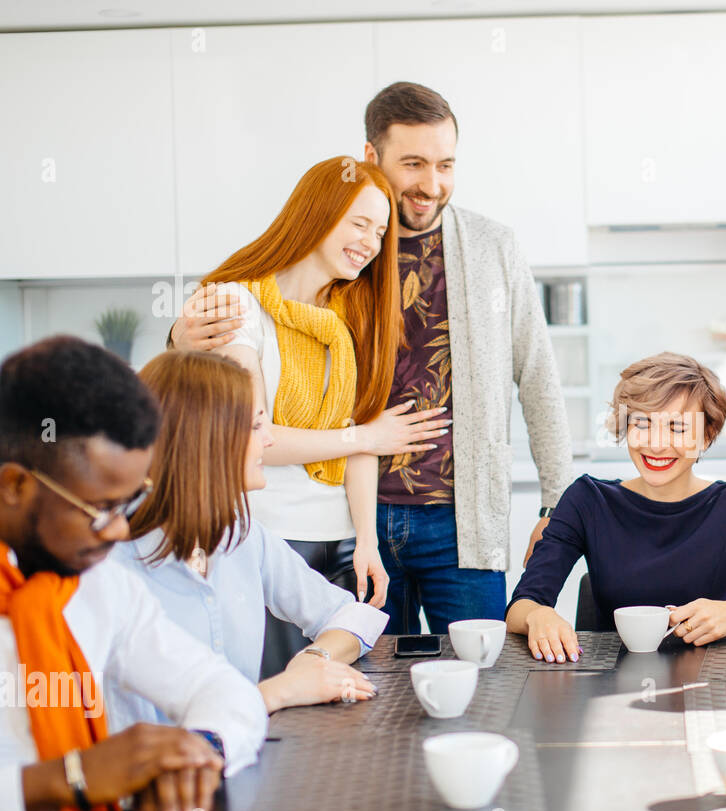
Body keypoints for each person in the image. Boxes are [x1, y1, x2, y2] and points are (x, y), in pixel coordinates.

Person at [170, 82, 573, 636]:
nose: (431, 185)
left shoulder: (492, 247)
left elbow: (539, 379)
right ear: (371, 157)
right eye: (413, 164)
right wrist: (182, 335)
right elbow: (255, 306)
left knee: (484, 682)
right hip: (352, 517)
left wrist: (557, 506)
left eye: (446, 165)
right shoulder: (340, 249)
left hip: (463, 522)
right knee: (369, 690)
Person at [0, 337, 267, 811]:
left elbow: (219, 687)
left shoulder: (98, 587)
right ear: (14, 487)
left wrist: (198, 753)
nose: (120, 528)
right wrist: (70, 778)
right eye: (100, 508)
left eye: (128, 502)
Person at [178, 156, 443, 678]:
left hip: (343, 545)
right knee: (275, 703)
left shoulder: (352, 319)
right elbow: (253, 439)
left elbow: (361, 439)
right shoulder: (239, 305)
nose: (370, 242)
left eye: (380, 231)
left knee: (344, 698)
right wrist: (367, 435)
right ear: (318, 214)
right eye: (359, 224)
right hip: (269, 539)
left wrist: (367, 539)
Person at [107, 351, 389, 727]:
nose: (270, 439)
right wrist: (281, 690)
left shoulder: (240, 534)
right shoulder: (114, 564)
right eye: (257, 426)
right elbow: (161, 732)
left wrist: (314, 659)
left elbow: (353, 617)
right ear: (208, 439)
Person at [507, 353, 726, 663]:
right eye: (642, 424)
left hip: (709, 681)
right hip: (611, 682)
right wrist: (539, 615)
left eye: (677, 428)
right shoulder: (586, 500)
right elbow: (522, 605)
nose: (656, 443)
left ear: (707, 436)